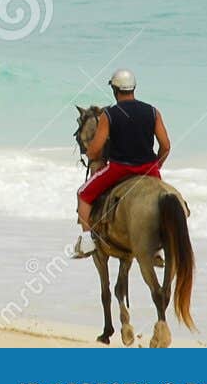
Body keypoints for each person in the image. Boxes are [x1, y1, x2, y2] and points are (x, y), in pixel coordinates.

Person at [71, 67, 170, 257]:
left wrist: (92, 155)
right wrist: (156, 166)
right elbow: (165, 146)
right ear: (134, 88)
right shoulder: (153, 112)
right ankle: (159, 249)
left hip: (119, 169)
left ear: (115, 90)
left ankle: (86, 241)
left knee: (82, 194)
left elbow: (95, 149)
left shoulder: (109, 115)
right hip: (149, 170)